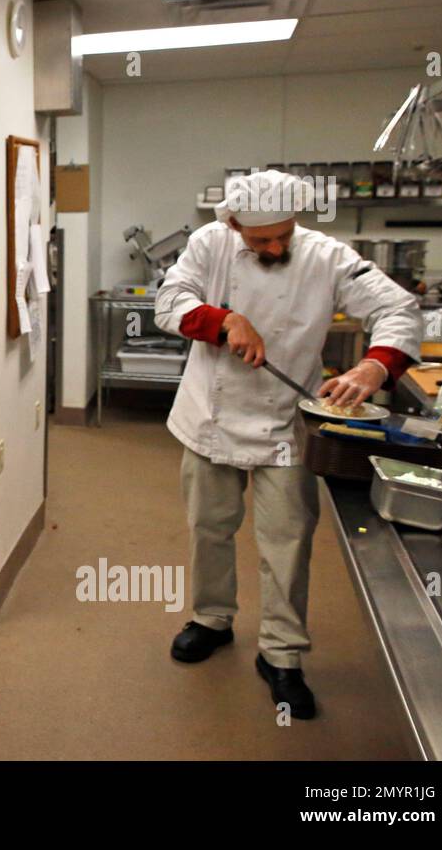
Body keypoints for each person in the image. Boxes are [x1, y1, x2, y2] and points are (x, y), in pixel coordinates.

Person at [154, 169, 421, 719]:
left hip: (285, 422)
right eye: (261, 241)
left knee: (287, 542)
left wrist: (376, 365)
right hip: (211, 416)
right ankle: (211, 619)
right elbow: (169, 303)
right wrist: (226, 320)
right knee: (210, 527)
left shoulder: (325, 255)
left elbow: (398, 310)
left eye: (283, 236)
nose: (275, 248)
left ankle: (282, 654)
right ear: (233, 225)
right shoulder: (209, 244)